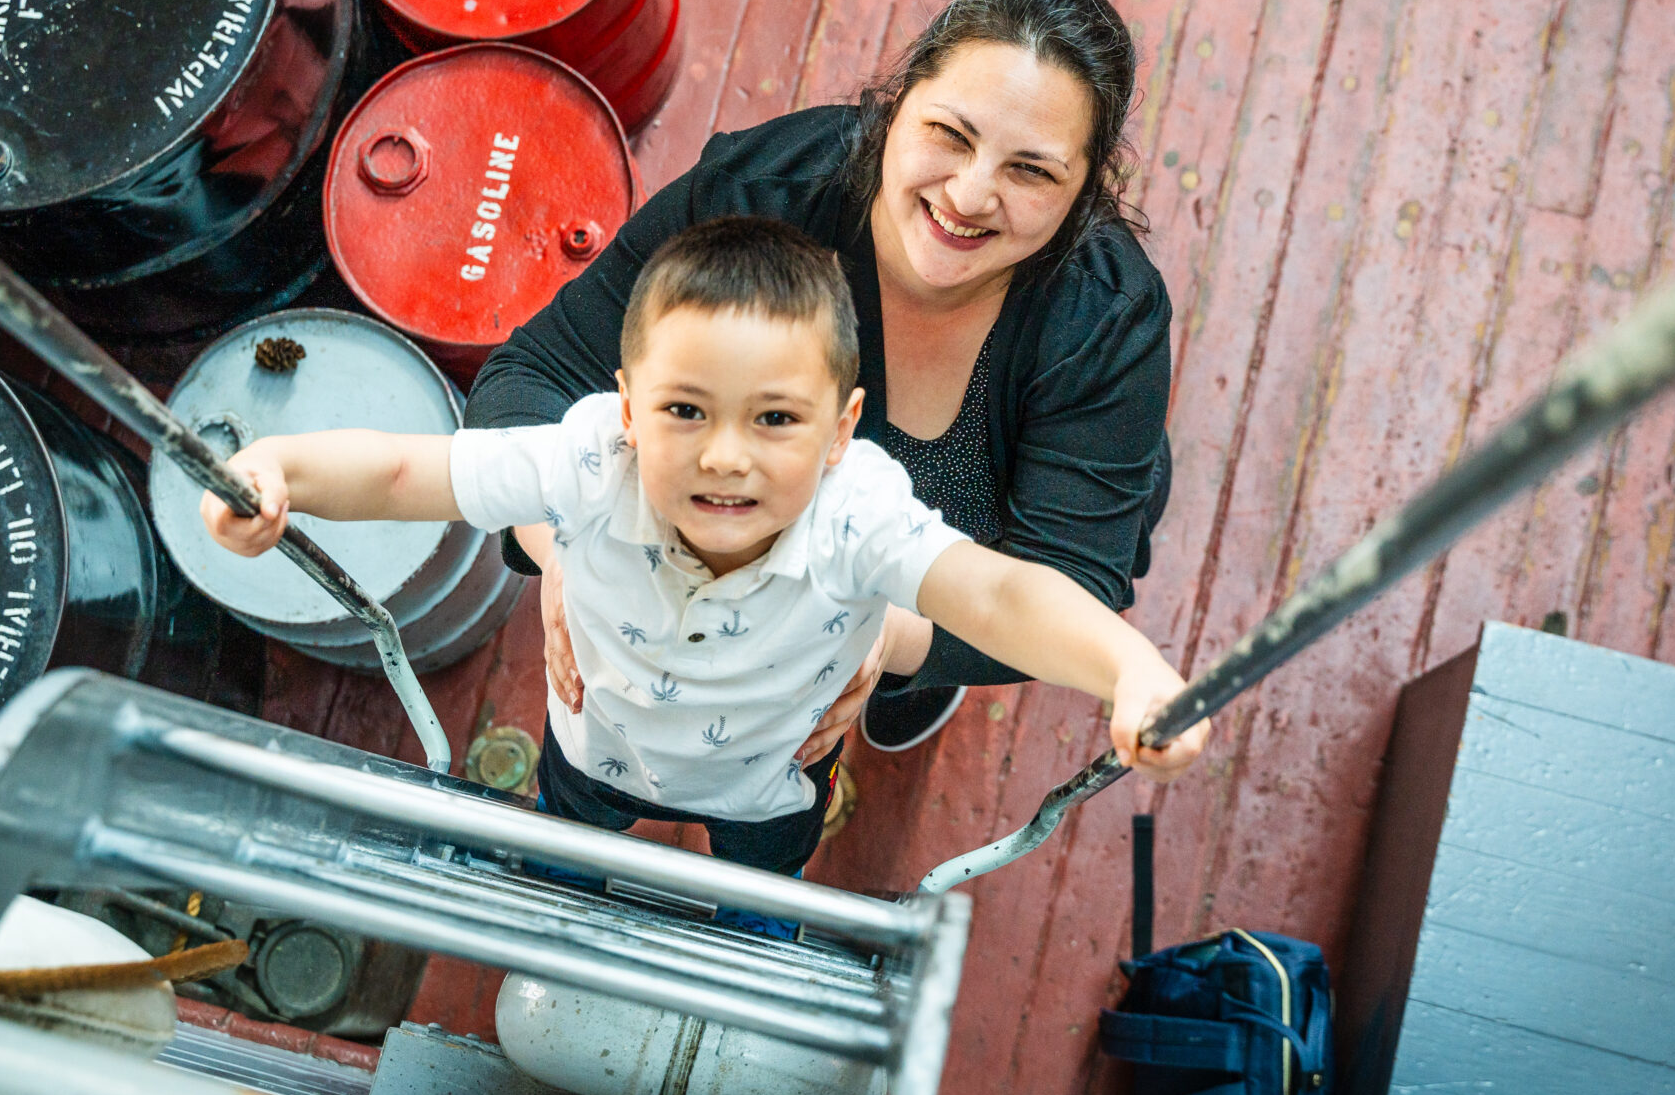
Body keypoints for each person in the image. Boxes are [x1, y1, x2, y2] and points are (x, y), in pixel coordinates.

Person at [201, 217, 1209, 890]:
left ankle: (761, 917)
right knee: (566, 845)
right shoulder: (590, 456)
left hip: (771, 774)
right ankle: (566, 881)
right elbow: (400, 475)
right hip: (597, 741)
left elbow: (992, 594)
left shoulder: (858, 511)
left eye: (774, 418)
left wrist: (1126, 667)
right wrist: (284, 467)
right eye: (685, 410)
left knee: (763, 878)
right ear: (630, 407)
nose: (724, 458)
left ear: (841, 426)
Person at [469, 0, 1172, 764]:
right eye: (950, 133)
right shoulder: (762, 194)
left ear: (1085, 195)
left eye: (1032, 170)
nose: (971, 195)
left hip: (978, 561)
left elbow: (1064, 580)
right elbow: (526, 378)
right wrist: (564, 545)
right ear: (900, 103)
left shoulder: (1107, 318)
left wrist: (885, 637)